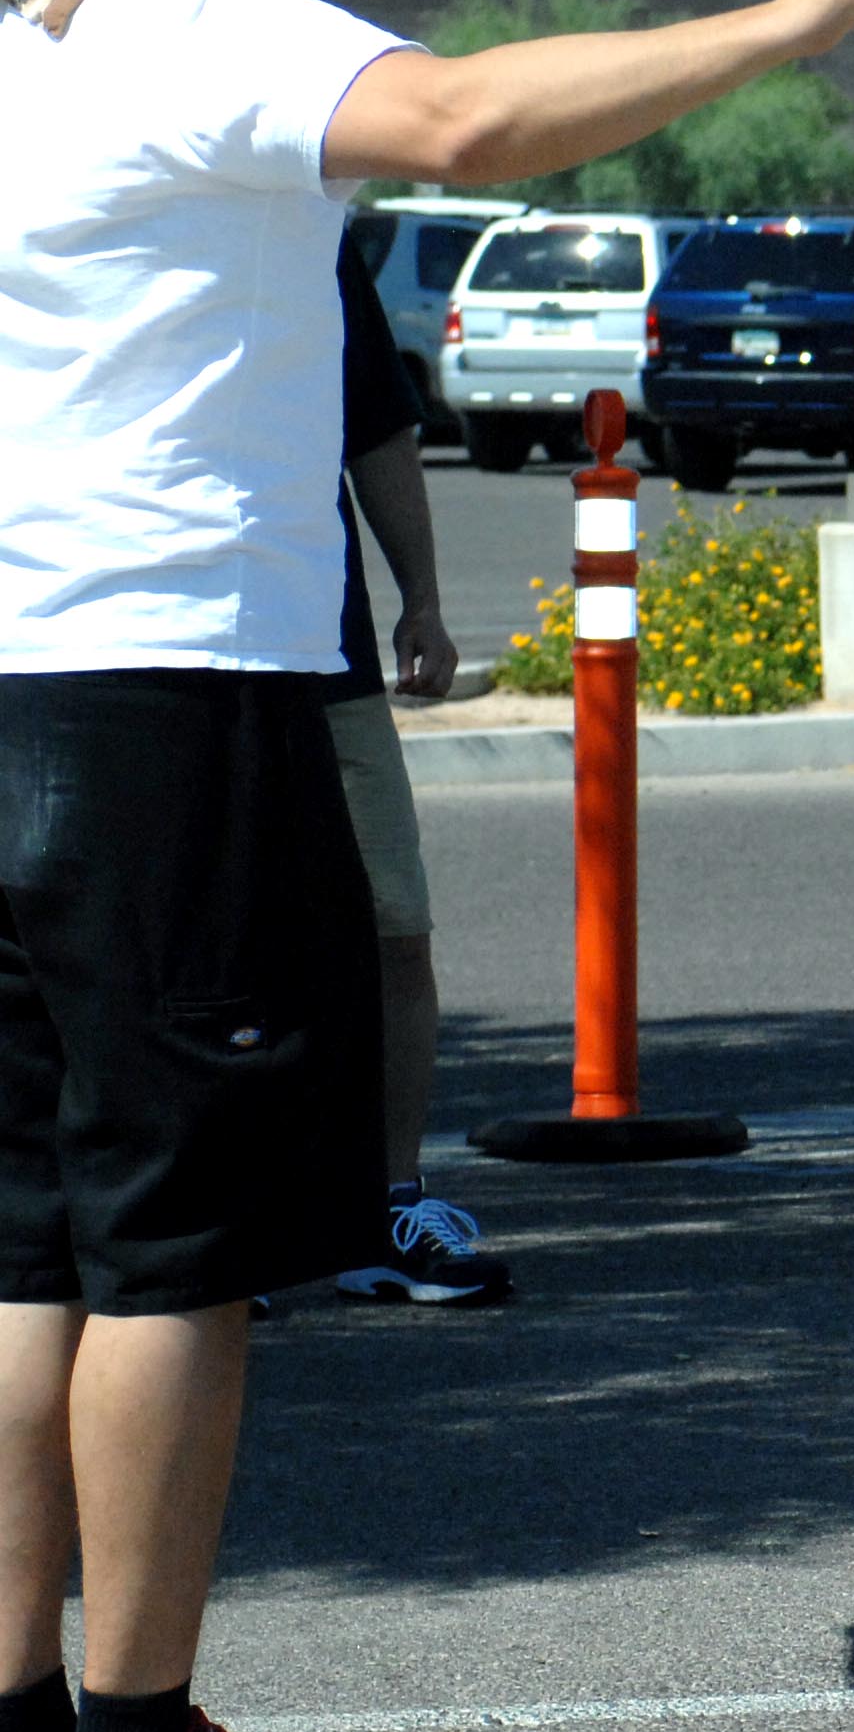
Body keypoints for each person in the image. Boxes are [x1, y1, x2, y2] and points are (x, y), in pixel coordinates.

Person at [1, 0, 854, 1732]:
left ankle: (21, 1729)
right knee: (179, 1257)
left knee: (32, 1245)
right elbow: (465, 122)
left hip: (16, 687)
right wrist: (798, 15)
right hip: (177, 698)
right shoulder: (192, 18)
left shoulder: (13, 17)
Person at [325, 227, 508, 1306]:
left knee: (394, 930)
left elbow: (377, 424)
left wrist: (423, 600)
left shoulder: (310, 235)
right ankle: (216, 1231)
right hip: (138, 659)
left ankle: (384, 1207)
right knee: (188, 957)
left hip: (320, 648)